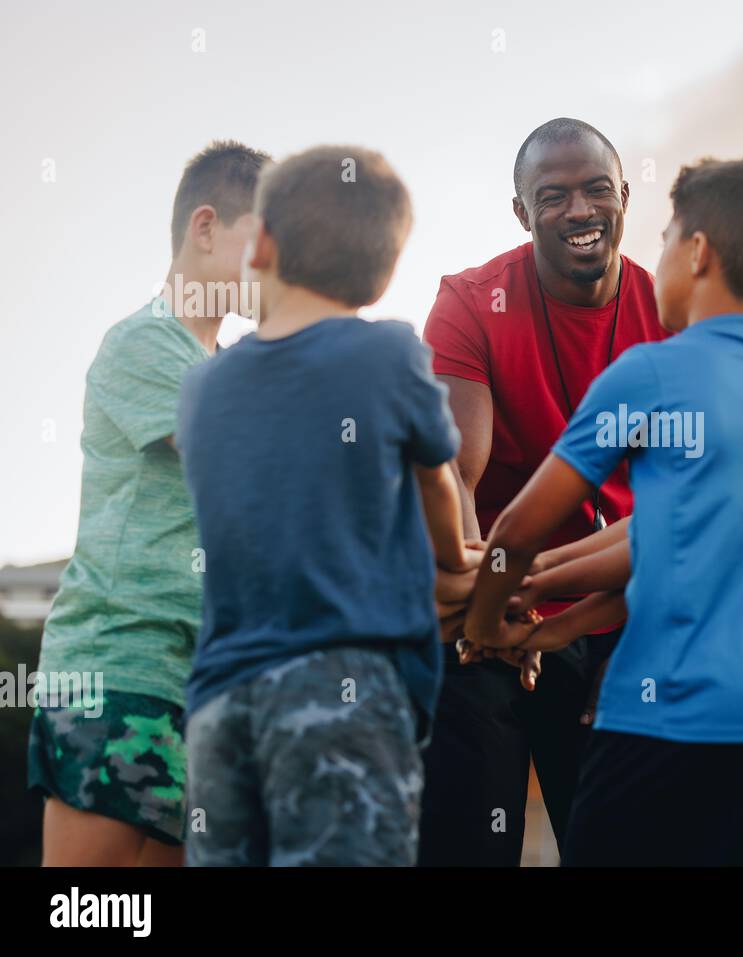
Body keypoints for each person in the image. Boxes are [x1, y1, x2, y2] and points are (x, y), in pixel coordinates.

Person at [466, 157, 743, 866]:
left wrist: (485, 626)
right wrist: (553, 629)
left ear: (697, 253)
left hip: (670, 720)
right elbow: (678, 552)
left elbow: (516, 529)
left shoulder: (650, 373)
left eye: (666, 239)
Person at [178, 145, 471, 866]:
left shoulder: (203, 388)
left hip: (218, 702)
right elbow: (439, 477)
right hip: (343, 692)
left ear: (265, 244)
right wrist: (453, 556)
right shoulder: (391, 355)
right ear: (384, 270)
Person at [420, 118, 666, 865]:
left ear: (624, 195)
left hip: (617, 609)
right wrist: (483, 602)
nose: (579, 211)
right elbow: (455, 475)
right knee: (469, 840)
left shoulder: (673, 317)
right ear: (522, 214)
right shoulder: (469, 301)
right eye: (552, 196)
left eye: (596, 190)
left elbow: (673, 513)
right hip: (483, 606)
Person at [27, 141, 269, 866]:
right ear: (204, 227)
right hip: (120, 670)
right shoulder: (143, 344)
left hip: (196, 682)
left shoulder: (222, 370)